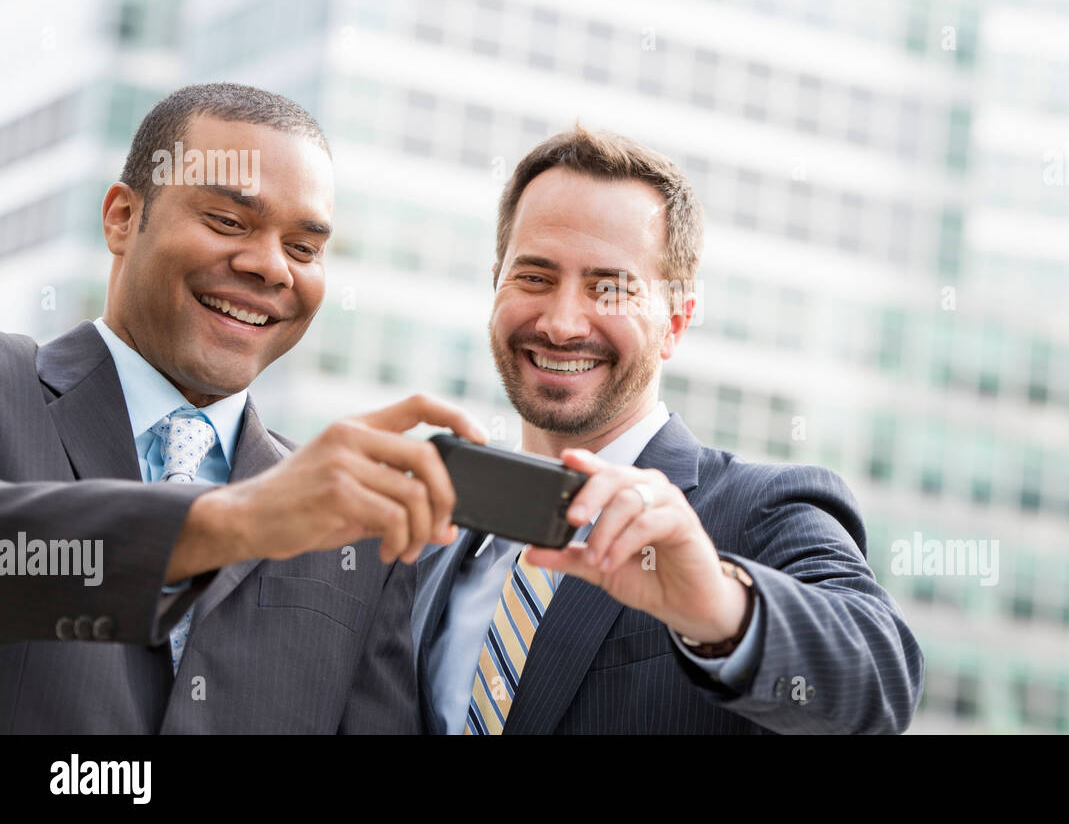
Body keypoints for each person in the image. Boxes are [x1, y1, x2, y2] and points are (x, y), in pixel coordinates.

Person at [0, 82, 485, 733]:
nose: (270, 267)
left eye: (304, 248)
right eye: (228, 221)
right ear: (122, 217)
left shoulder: (357, 532)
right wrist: (232, 519)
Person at [412, 126, 924, 734]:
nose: (562, 322)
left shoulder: (759, 512)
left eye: (611, 287)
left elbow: (879, 683)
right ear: (496, 282)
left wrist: (718, 608)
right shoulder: (432, 533)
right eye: (535, 277)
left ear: (675, 323)